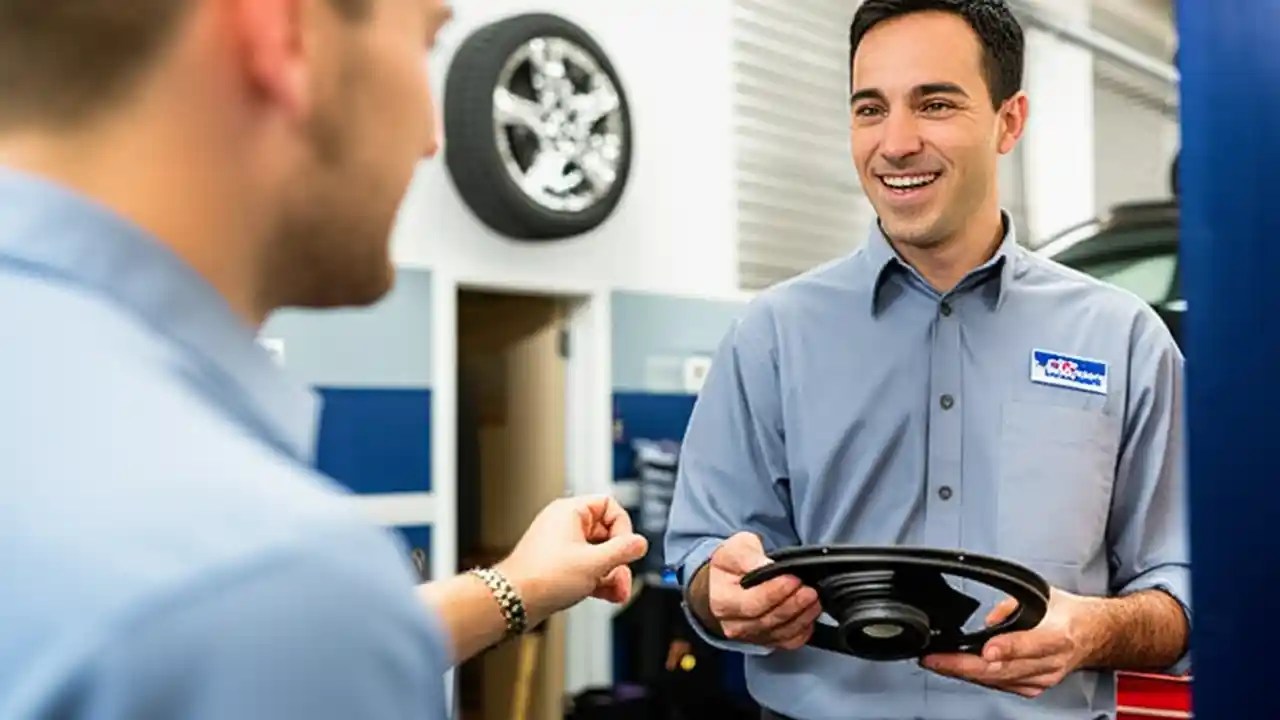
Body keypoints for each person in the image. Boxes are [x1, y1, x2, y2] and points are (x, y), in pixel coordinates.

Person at [0, 0, 646, 718]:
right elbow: (257, 616)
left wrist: (515, 587)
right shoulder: (260, 573)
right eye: (425, 44)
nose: (433, 137)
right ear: (284, 32)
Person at [664, 1, 1190, 718]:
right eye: (869, 109)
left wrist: (1095, 630)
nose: (897, 142)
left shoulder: (1122, 339)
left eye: (935, 103)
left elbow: (1184, 590)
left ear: (1010, 121)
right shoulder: (771, 335)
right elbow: (704, 555)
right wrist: (718, 592)